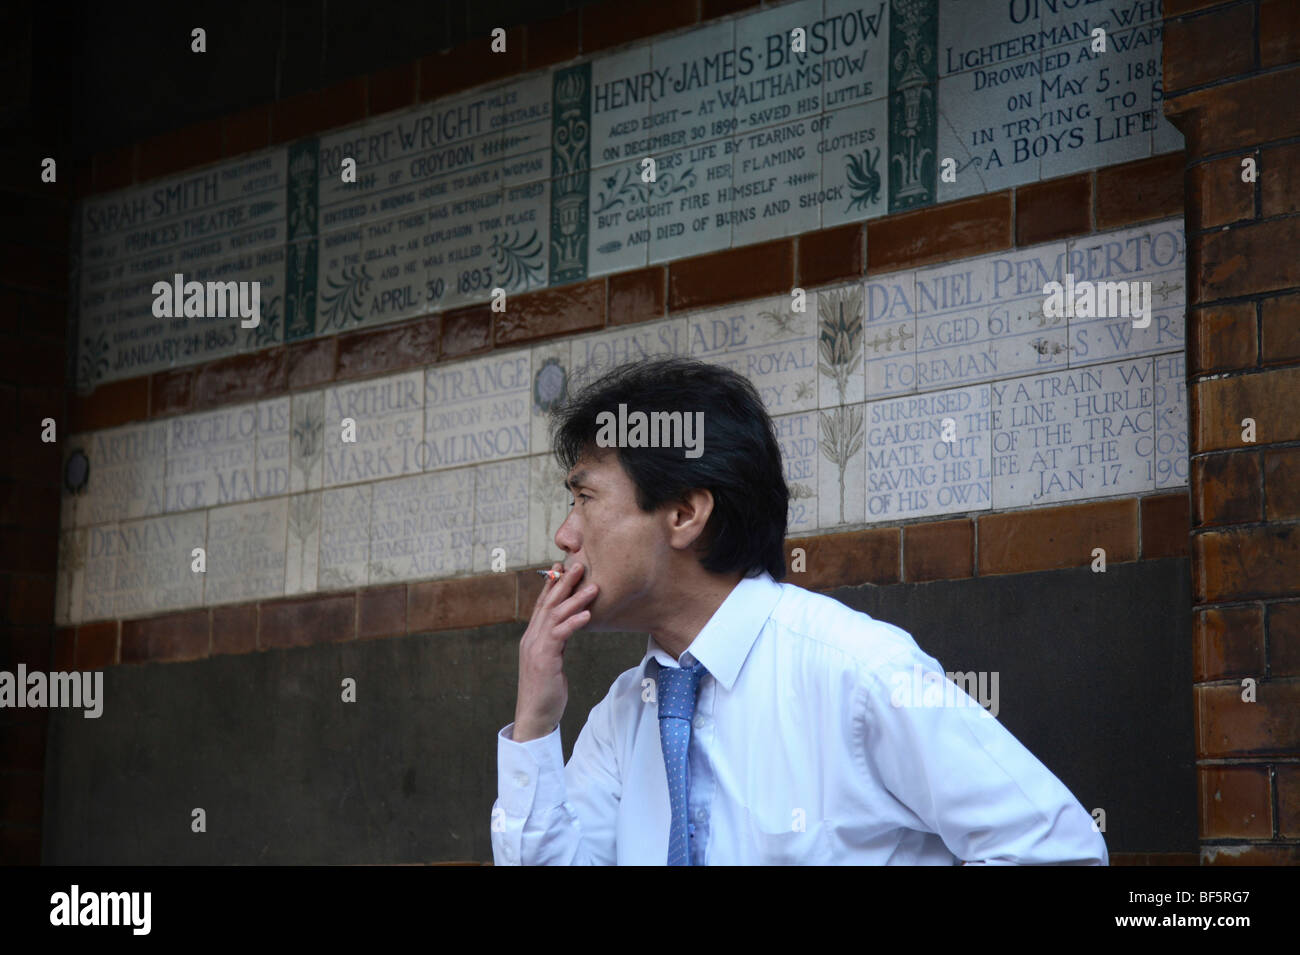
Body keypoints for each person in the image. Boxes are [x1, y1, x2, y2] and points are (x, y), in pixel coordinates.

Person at [490, 355, 1107, 865]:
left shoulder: (860, 672)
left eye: (585, 498)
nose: (565, 537)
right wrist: (535, 721)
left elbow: (1057, 853)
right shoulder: (624, 714)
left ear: (684, 514)